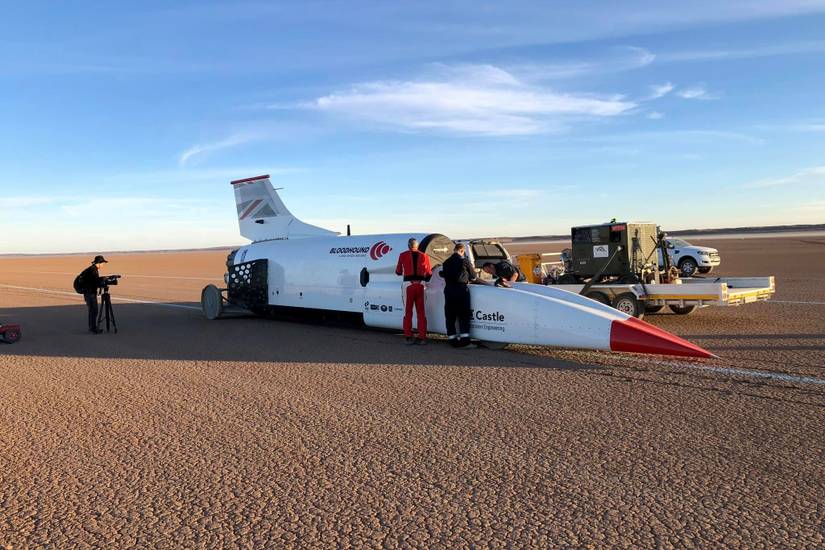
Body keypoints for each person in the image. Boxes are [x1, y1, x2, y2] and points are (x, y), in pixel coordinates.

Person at [395, 238, 432, 345]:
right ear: (417, 245)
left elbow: (398, 271)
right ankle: (422, 337)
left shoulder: (402, 255)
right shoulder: (425, 256)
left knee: (408, 311)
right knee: (421, 312)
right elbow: (429, 273)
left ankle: (408, 336)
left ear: (408, 245)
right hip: (421, 285)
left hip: (408, 285)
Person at [439, 243, 477, 348]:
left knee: (450, 316)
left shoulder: (446, 262)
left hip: (449, 290)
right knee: (463, 315)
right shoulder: (464, 261)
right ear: (462, 251)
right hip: (461, 290)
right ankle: (465, 341)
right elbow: (473, 277)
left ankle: (452, 340)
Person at [78, 255, 107, 333]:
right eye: (103, 263)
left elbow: (94, 281)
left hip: (89, 292)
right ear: (99, 263)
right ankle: (93, 328)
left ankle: (92, 328)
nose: (103, 265)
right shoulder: (92, 270)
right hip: (89, 293)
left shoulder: (92, 269)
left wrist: (102, 279)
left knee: (93, 310)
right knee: (93, 310)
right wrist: (102, 281)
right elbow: (95, 282)